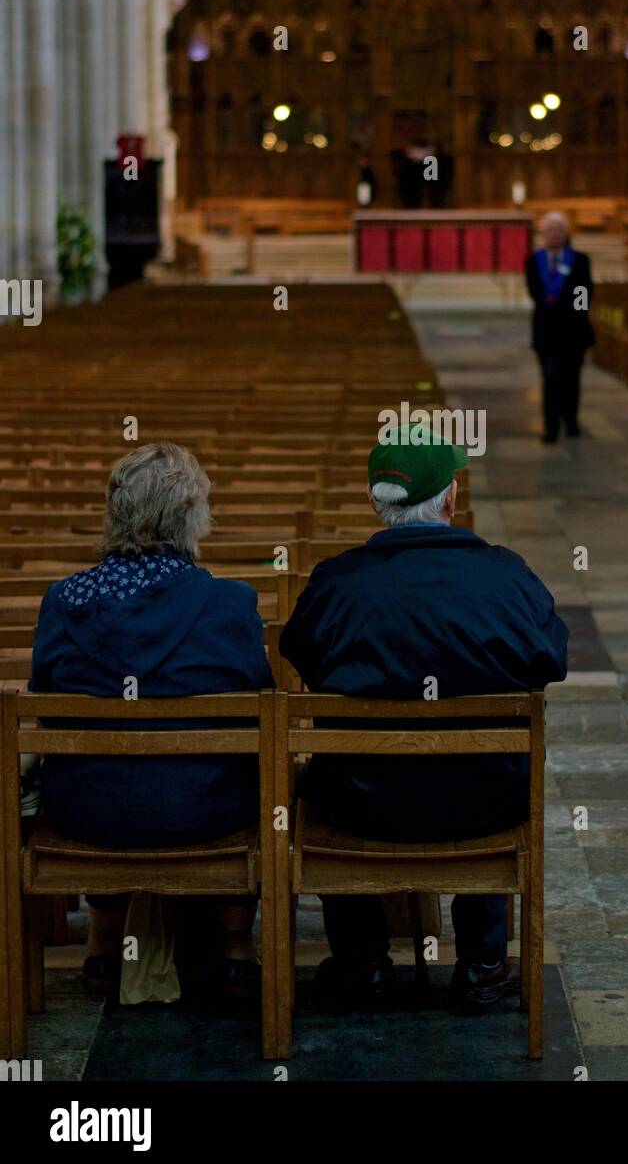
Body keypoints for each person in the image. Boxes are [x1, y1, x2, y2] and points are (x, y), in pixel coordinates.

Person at [280, 426, 568, 1010]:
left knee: (326, 774)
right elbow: (550, 659)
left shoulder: (337, 583)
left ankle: (363, 965)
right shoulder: (506, 578)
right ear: (452, 499)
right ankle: (483, 965)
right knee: (488, 759)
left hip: (362, 803)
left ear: (374, 502)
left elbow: (301, 656)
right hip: (482, 805)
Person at [29, 442, 274, 994]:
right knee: (255, 771)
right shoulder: (230, 603)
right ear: (192, 517)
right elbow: (261, 708)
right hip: (205, 811)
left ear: (115, 513)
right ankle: (236, 940)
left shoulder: (62, 600)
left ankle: (103, 940)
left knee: (102, 769)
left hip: (89, 814)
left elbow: (45, 706)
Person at [525, 211, 595, 442]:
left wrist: (569, 306)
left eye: (559, 230)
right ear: (543, 235)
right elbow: (536, 292)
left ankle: (571, 420)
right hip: (546, 330)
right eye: (550, 231)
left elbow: (585, 293)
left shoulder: (580, 259)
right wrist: (559, 300)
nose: (554, 235)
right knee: (550, 378)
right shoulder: (534, 261)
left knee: (572, 379)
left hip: (574, 329)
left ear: (566, 234)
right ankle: (551, 425)